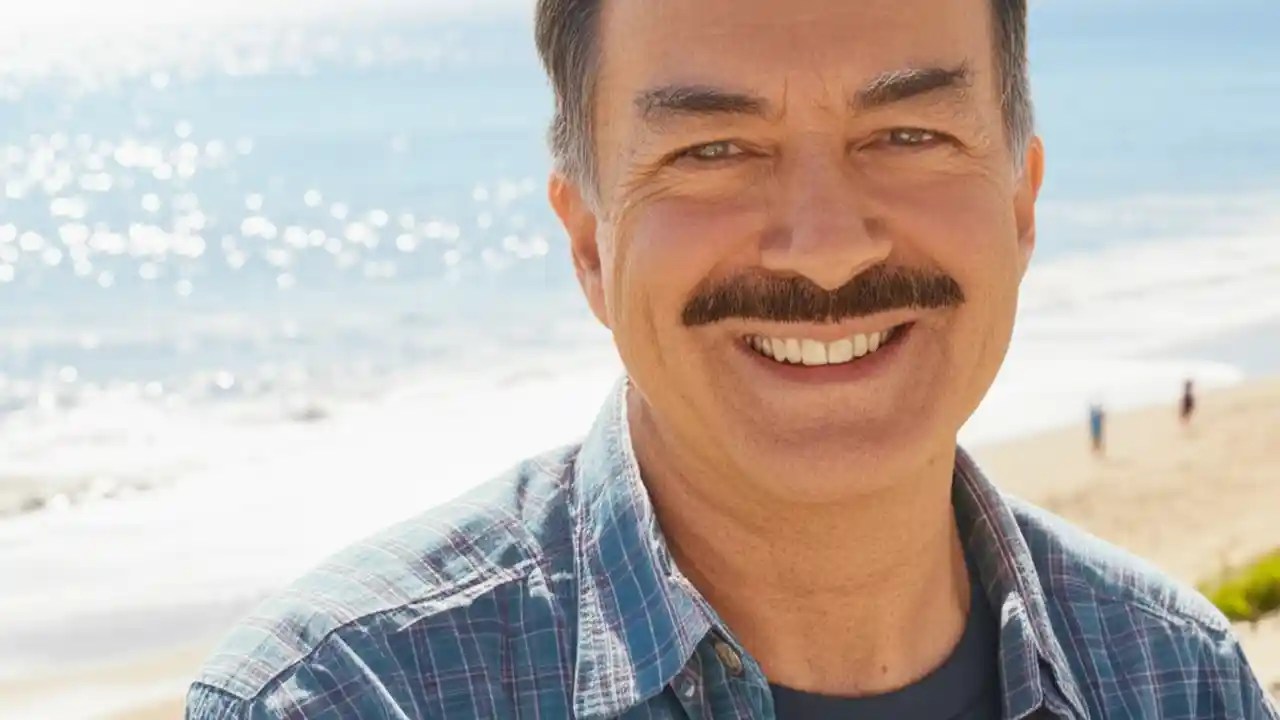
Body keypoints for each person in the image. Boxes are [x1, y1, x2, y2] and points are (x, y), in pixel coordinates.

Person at [187, 0, 1279, 717]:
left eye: (905, 136)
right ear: (589, 245)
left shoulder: (1175, 678)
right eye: (712, 149)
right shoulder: (339, 700)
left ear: (1019, 203)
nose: (825, 245)